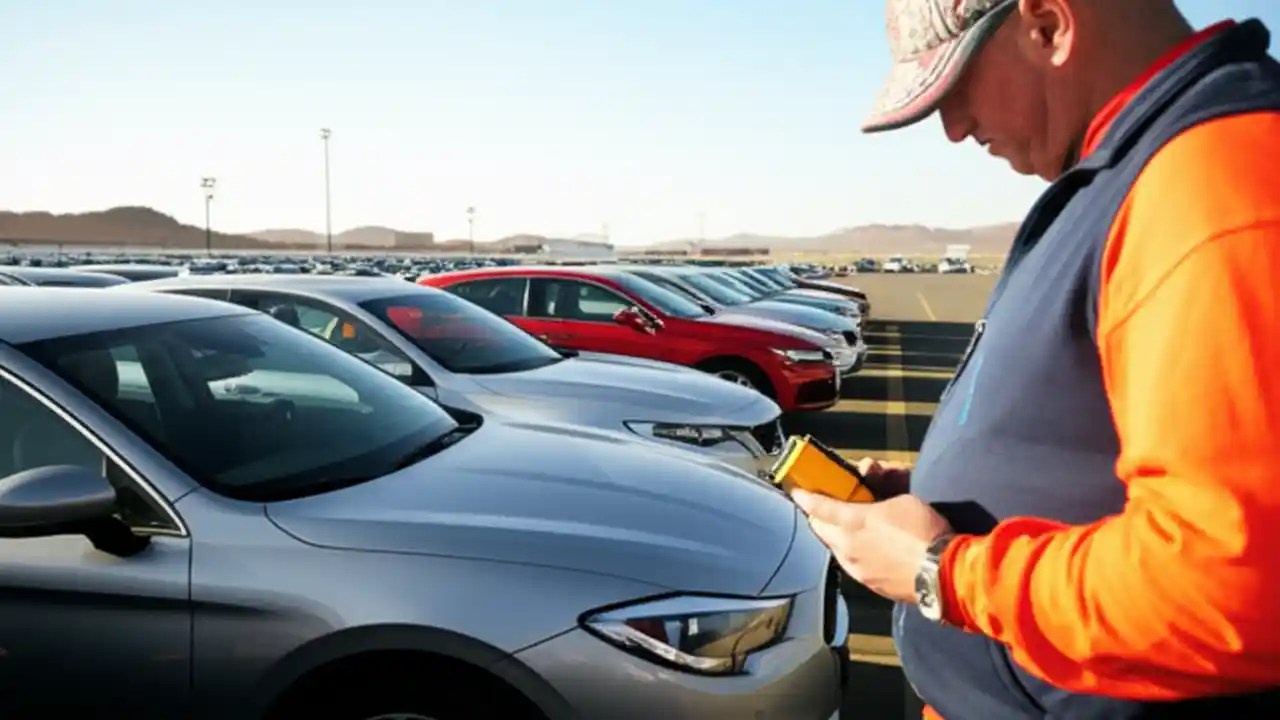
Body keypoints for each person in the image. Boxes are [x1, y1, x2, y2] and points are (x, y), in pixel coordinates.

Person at [792, 0, 1280, 717]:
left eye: (956, 90)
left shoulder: (1212, 183)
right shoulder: (1134, 167)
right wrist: (939, 487)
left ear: (1048, 25)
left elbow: (1232, 585)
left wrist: (942, 572)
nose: (954, 129)